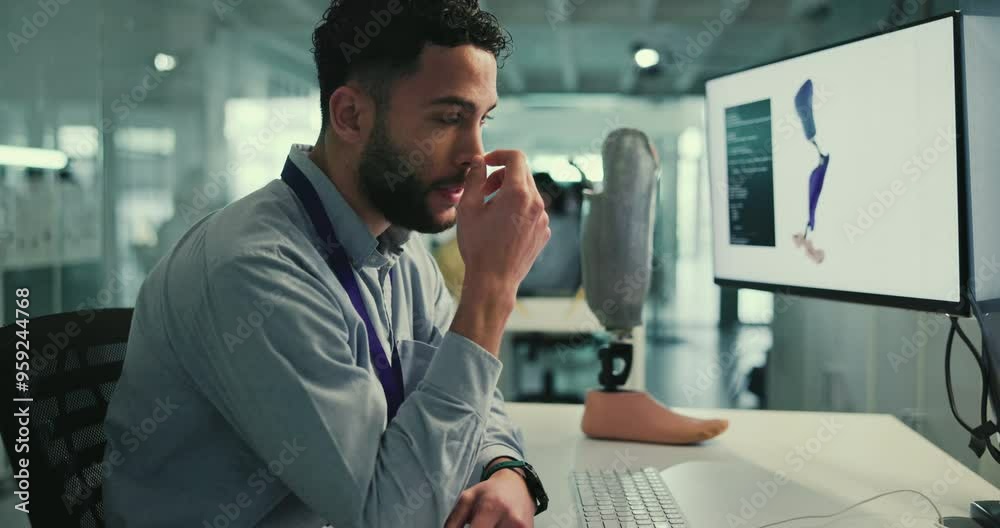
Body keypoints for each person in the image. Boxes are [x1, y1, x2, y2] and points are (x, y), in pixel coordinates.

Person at [101, 1, 551, 526]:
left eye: (482, 119)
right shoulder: (254, 270)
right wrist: (490, 290)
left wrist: (507, 469)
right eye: (449, 118)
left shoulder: (403, 255)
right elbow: (387, 516)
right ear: (350, 116)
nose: (476, 153)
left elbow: (466, 395)